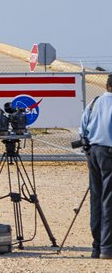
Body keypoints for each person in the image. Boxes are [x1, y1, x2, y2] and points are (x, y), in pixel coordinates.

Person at [81, 73, 112, 259]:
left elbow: (82, 129)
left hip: (93, 152)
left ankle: (97, 246)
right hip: (109, 153)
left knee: (96, 198)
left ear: (106, 85)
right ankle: (107, 248)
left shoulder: (94, 102)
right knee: (109, 200)